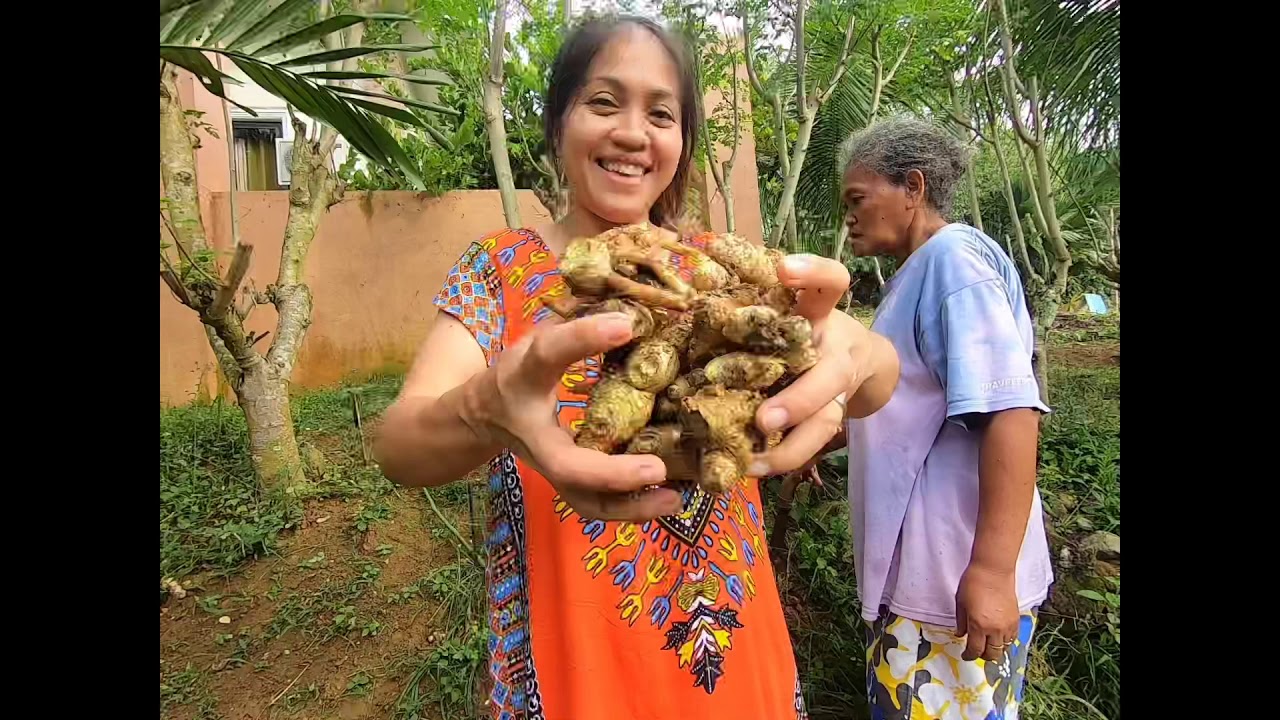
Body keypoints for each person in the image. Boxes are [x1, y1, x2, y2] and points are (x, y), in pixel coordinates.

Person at [374, 16, 899, 720]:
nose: (631, 132)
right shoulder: (497, 271)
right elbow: (398, 447)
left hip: (735, 662)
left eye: (660, 113)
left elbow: (869, 377)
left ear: (680, 144)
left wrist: (863, 356)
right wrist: (484, 406)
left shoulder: (724, 269)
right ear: (559, 123)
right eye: (602, 103)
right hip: (568, 672)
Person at [838, 116, 1053, 720]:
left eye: (858, 199)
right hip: (925, 580)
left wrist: (990, 571)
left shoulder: (953, 261)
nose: (848, 216)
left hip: (952, 583)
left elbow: (1010, 408)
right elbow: (911, 404)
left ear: (913, 187)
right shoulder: (919, 273)